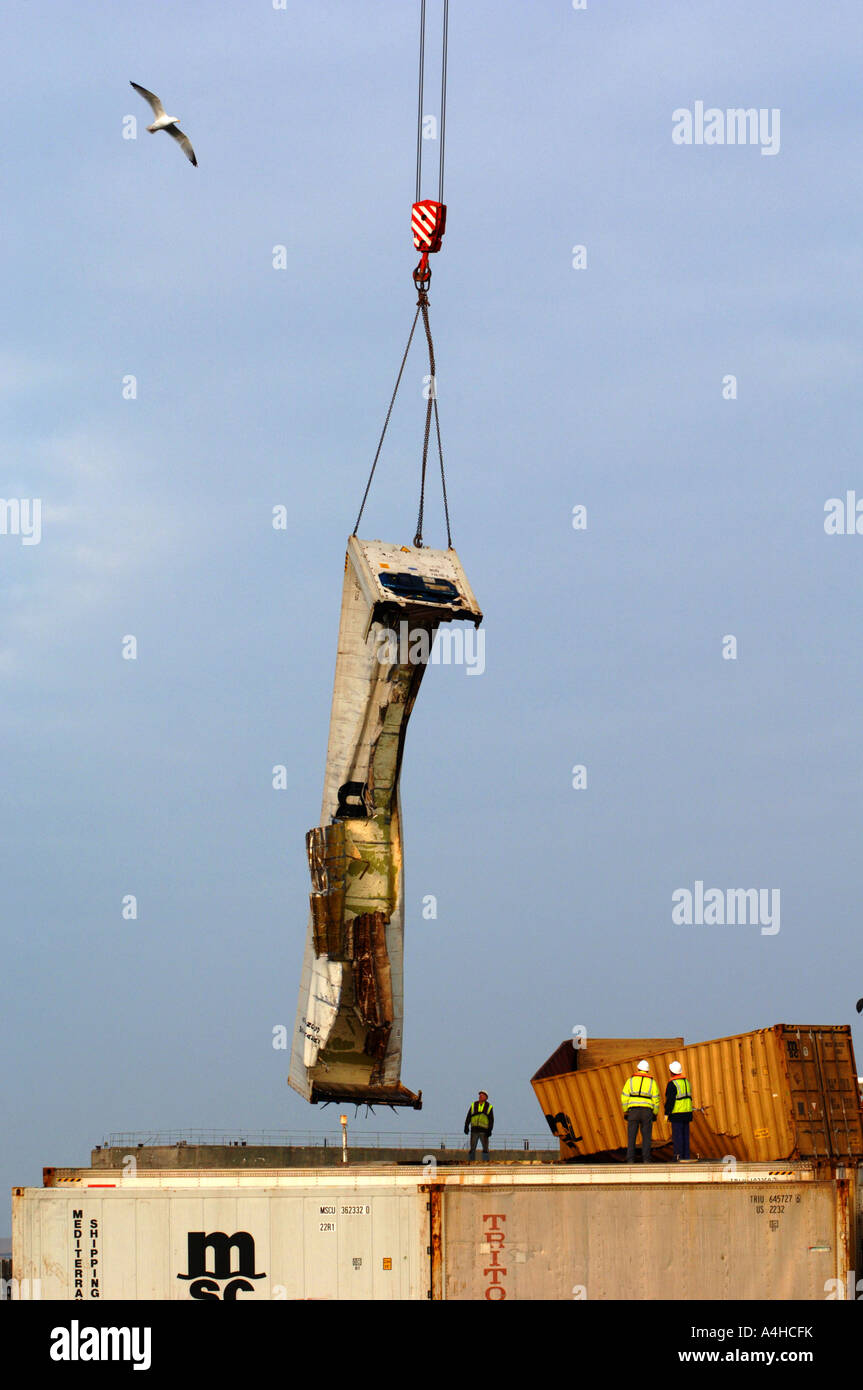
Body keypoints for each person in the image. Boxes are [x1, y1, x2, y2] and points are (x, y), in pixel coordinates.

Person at [620, 1060, 660, 1163]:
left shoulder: (631, 1080)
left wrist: (626, 1111)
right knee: (646, 1137)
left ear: (638, 1069)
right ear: (647, 1070)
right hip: (647, 1112)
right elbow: (656, 1099)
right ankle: (646, 1159)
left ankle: (630, 1159)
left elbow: (624, 1096)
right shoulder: (652, 1082)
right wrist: (655, 1113)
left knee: (631, 1136)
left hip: (633, 1111)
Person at [665, 1060, 694, 1160]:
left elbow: (670, 1101)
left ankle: (678, 1157)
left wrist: (666, 1113)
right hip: (687, 1113)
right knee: (685, 1136)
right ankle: (686, 1157)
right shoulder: (687, 1082)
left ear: (672, 1072)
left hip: (677, 1114)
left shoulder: (672, 1084)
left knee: (677, 1137)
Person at [464, 1090, 494, 1160]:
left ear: (486, 1097)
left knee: (485, 1148)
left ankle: (486, 1164)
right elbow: (468, 1116)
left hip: (484, 1131)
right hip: (474, 1130)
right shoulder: (473, 1105)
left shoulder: (489, 1106)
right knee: (472, 1148)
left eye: (482, 1095)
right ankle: (471, 1163)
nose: (480, 1096)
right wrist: (466, 1126)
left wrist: (489, 1130)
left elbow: (491, 1120)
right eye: (480, 1095)